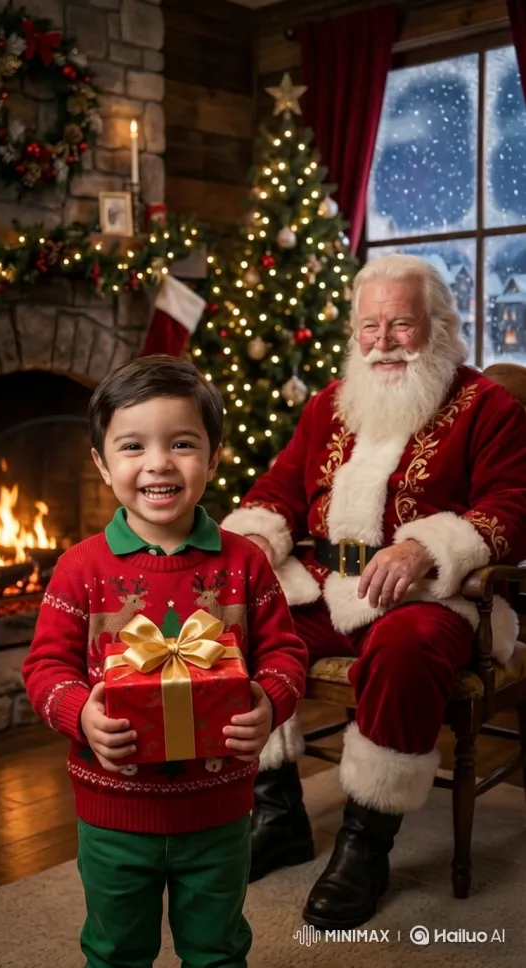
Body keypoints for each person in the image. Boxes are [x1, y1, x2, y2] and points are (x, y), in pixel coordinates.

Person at [221, 253, 526, 931]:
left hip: (436, 598)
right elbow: (278, 489)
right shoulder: (329, 405)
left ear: (438, 325)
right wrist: (257, 536)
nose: (383, 341)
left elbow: (513, 506)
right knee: (237, 621)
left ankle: (365, 843)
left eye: (401, 325)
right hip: (328, 585)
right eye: (369, 326)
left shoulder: (489, 407)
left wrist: (426, 548)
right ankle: (276, 812)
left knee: (405, 645)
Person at [22, 355, 307, 968]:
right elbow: (45, 669)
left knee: (218, 947)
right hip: (113, 811)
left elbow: (286, 652)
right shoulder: (80, 568)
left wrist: (270, 701)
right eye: (133, 446)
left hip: (220, 808)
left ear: (214, 456)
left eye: (182, 443)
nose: (158, 463)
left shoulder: (245, 562)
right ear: (102, 463)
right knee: (115, 949)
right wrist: (80, 713)